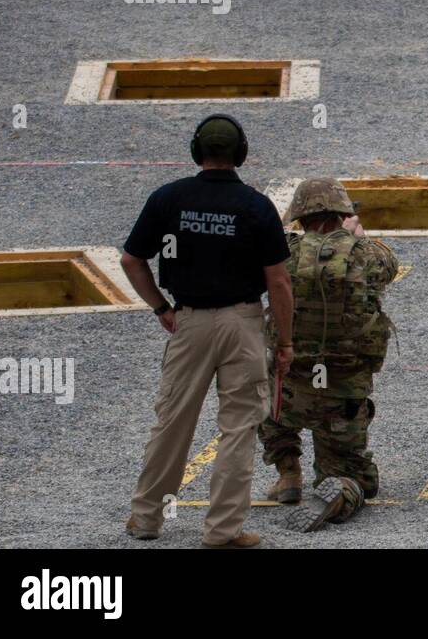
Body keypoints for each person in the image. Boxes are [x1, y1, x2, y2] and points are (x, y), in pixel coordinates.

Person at [121, 114, 293, 548]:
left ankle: (145, 520)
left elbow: (131, 261)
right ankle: (223, 531)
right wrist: (286, 341)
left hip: (189, 321)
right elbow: (278, 282)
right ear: (241, 154)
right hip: (243, 322)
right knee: (238, 429)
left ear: (197, 152)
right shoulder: (256, 205)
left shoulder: (168, 198)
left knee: (172, 422)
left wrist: (160, 306)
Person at [258, 178, 399, 533]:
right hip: (342, 393)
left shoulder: (281, 252)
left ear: (299, 217)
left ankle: (288, 472)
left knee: (262, 384)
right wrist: (355, 239)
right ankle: (342, 489)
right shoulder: (366, 254)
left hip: (288, 390)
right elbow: (389, 267)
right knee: (360, 480)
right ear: (342, 214)